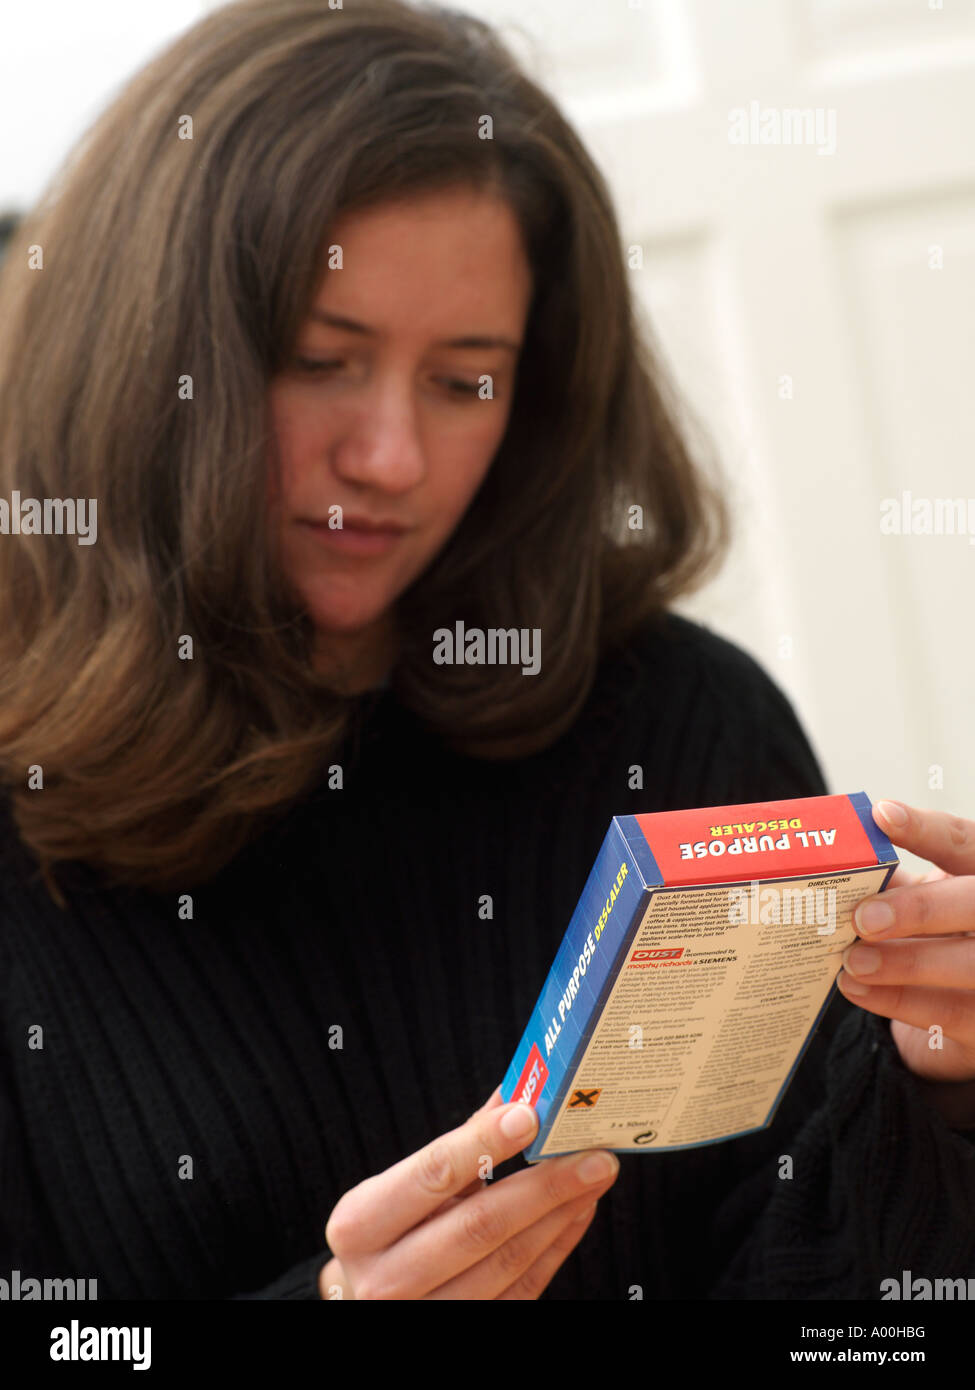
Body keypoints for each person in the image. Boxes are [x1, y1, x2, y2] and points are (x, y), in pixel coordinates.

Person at [0, 0, 973, 1303]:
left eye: (466, 381)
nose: (390, 459)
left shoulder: (685, 724)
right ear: (149, 358)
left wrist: (943, 1089)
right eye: (320, 360)